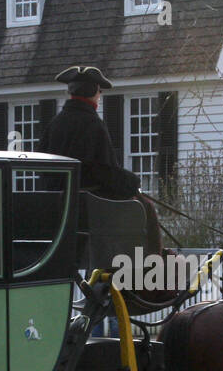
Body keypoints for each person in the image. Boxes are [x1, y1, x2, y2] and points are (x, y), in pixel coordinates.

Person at [38, 64, 163, 256]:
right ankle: (154, 259)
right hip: (88, 204)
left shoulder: (55, 123)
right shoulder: (93, 124)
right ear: (94, 92)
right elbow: (104, 171)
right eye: (99, 91)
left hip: (56, 201)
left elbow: (43, 164)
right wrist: (132, 182)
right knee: (146, 206)